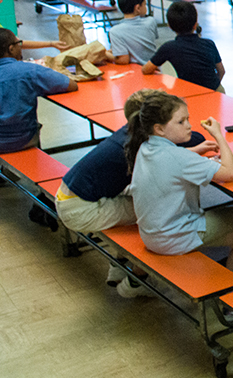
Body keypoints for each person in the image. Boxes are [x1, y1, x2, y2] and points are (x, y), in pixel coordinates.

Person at [56, 88, 209, 297]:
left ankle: (118, 265)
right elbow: (194, 139)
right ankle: (137, 280)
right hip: (81, 209)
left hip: (71, 198)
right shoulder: (139, 144)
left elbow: (170, 154)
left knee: (144, 202)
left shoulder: (128, 135)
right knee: (157, 213)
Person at [126, 92, 233, 280]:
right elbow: (231, 173)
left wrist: (194, 151)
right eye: (181, 122)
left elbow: (173, 160)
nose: (189, 125)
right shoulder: (180, 158)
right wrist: (218, 135)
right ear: (159, 129)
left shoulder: (145, 147)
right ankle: (231, 296)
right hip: (171, 237)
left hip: (151, 232)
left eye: (187, 119)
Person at [0, 27, 77, 154]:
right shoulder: (28, 71)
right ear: (11, 49)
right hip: (22, 140)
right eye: (18, 43)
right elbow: (70, 85)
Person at [143, 1, 224, 91]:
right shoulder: (209, 43)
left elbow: (146, 69)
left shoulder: (168, 48)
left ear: (169, 26)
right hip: (215, 90)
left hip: (189, 92)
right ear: (195, 24)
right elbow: (221, 71)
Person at [107, 0, 159, 65]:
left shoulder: (115, 31)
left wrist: (105, 55)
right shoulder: (151, 22)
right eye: (144, 4)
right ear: (138, 8)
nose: (146, 7)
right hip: (154, 69)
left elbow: (123, 60)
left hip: (135, 71)